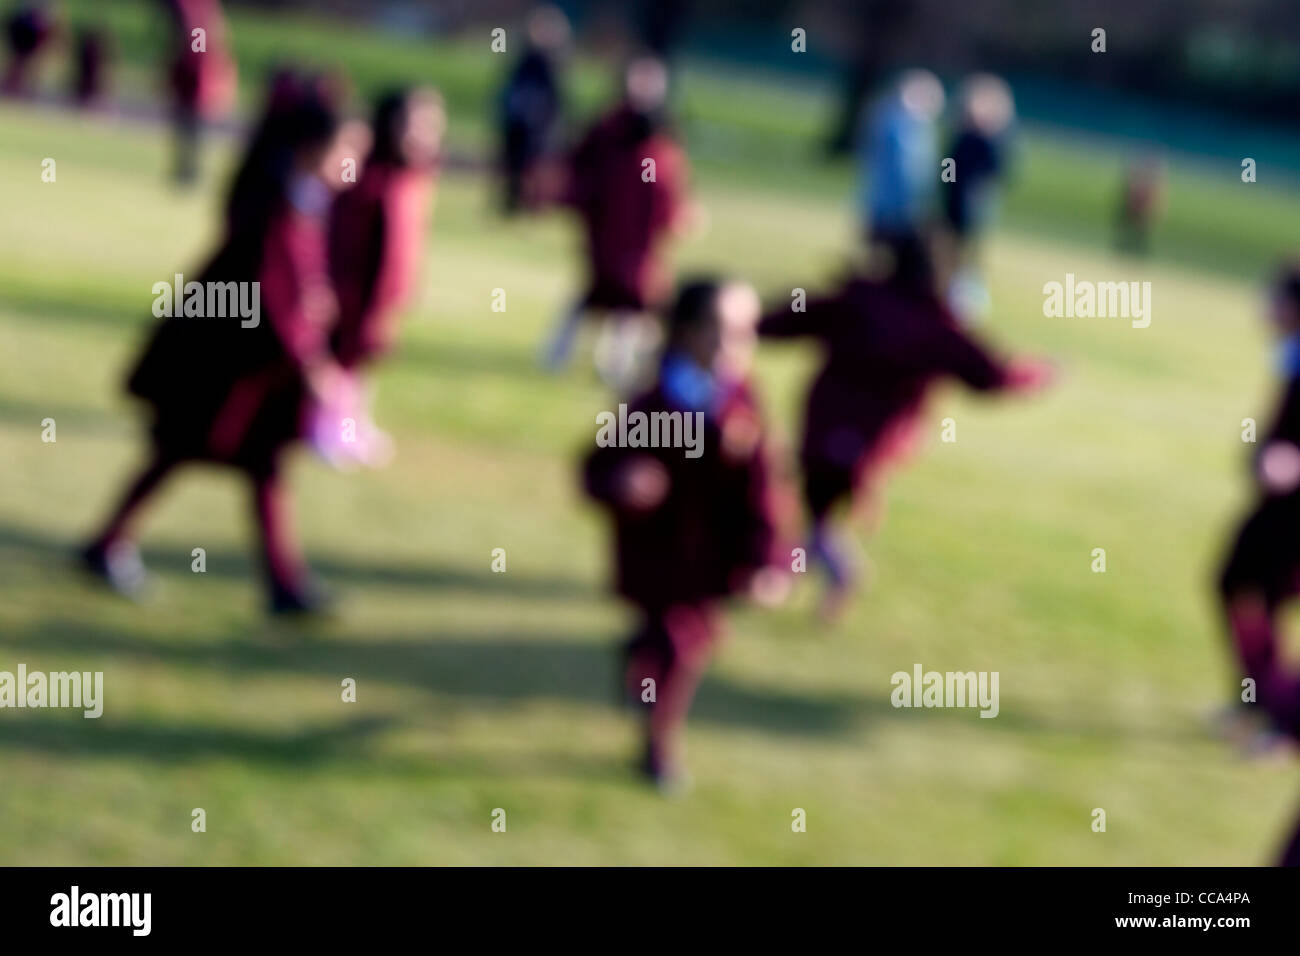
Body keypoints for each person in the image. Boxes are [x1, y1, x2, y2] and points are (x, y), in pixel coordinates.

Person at [81, 78, 357, 614]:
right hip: (223, 362)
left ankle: (282, 583)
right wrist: (311, 360)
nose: (349, 160)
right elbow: (268, 295)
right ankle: (107, 544)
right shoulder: (276, 203)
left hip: (251, 364)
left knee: (259, 465)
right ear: (310, 148)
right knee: (186, 451)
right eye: (343, 149)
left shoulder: (300, 198)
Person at [759, 238, 1053, 620]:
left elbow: (789, 320)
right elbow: (991, 375)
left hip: (829, 428)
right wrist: (1038, 373)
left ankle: (791, 572)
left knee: (812, 507)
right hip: (873, 441)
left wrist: (746, 323)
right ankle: (804, 571)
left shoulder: (861, 300)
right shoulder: (935, 322)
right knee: (814, 509)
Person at [583, 279, 788, 791]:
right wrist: (622, 481)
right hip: (653, 553)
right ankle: (659, 744)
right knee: (675, 642)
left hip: (713, 558)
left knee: (683, 642)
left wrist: (769, 560)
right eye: (720, 332)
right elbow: (595, 466)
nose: (733, 347)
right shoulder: (651, 403)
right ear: (685, 333)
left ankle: (646, 685)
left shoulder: (745, 406)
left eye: (745, 334)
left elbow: (766, 490)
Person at [1216, 266, 1300, 863]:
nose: (1265, 306)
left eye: (1275, 297)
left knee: (1255, 593)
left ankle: (1273, 716)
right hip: (1278, 506)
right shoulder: (1292, 353)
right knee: (1237, 587)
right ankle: (1260, 704)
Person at [542, 56, 693, 388]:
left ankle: (617, 362)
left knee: (635, 300)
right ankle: (562, 352)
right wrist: (572, 198)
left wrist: (674, 217)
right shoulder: (606, 130)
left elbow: (668, 189)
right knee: (601, 292)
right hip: (606, 230)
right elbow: (580, 168)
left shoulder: (661, 141)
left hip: (640, 238)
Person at [316, 87, 445, 468]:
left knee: (368, 359)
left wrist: (407, 285)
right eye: (413, 124)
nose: (421, 135)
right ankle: (326, 426)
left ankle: (352, 424)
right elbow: (344, 236)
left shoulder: (416, 177)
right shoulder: (367, 177)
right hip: (354, 285)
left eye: (431, 126)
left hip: (388, 288)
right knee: (343, 355)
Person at [939, 74, 1015, 321]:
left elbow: (997, 173)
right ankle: (947, 296)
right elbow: (947, 168)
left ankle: (963, 302)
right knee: (946, 253)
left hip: (973, 207)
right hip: (952, 203)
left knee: (967, 258)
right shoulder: (962, 136)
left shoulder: (989, 141)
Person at [860, 69, 944, 266]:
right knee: (882, 253)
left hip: (901, 206)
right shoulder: (897, 125)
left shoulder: (921, 130)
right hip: (891, 206)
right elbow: (903, 171)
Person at [497, 4, 568, 215]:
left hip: (540, 126)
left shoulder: (553, 64)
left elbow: (556, 98)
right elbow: (510, 89)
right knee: (514, 165)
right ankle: (512, 201)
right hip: (518, 123)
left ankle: (534, 203)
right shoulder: (523, 60)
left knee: (537, 167)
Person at [160, 0, 236, 184]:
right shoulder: (202, 13)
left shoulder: (198, 17)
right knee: (187, 129)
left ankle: (190, 171)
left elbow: (198, 54)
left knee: (193, 130)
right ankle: (186, 169)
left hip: (195, 84)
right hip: (192, 80)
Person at [2, 1, 58, 96]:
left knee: (26, 60)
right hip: (23, 26)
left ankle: (18, 85)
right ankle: (11, 85)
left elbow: (49, 17)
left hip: (35, 29)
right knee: (19, 59)